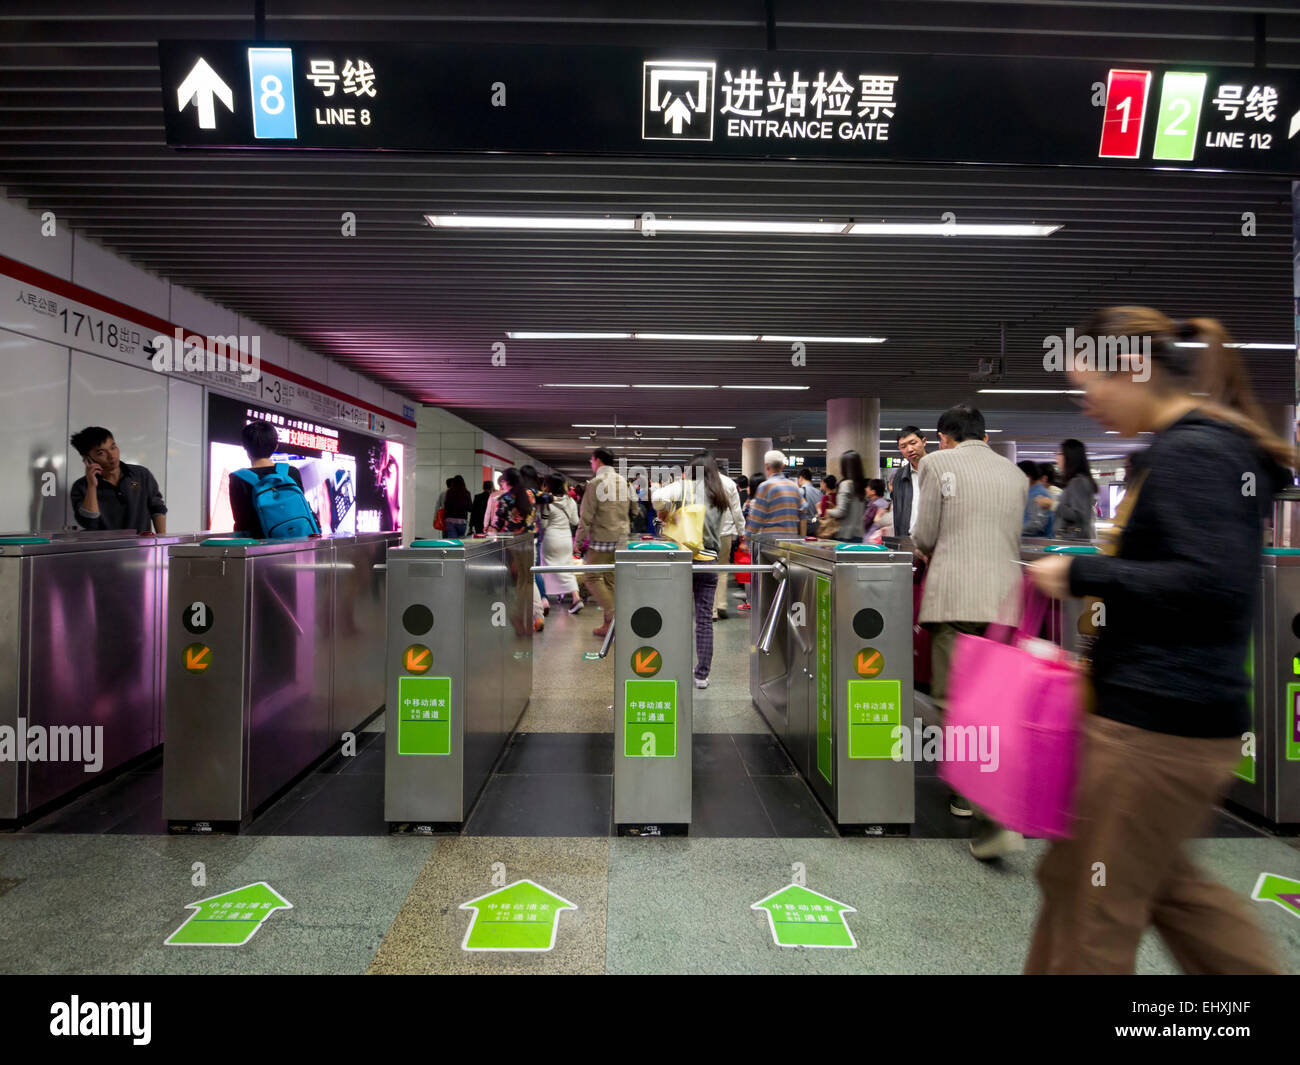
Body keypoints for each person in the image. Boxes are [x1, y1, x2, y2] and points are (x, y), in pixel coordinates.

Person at [1026, 307, 1290, 975]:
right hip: (1162, 717)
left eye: (1091, 386)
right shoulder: (1187, 450)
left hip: (1156, 726)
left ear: (1134, 370)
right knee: (1167, 892)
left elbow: (1214, 583)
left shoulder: (1194, 453)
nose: (1087, 407)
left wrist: (1081, 570)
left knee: (1092, 911)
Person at [912, 404, 1027, 859]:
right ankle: (995, 792)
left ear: (944, 437)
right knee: (992, 700)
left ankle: (987, 805)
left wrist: (923, 549)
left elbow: (925, 534)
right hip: (1004, 602)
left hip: (957, 596)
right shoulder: (1013, 474)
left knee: (953, 701)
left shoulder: (937, 464)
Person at [652, 452, 733, 689]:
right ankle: (702, 675)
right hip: (709, 562)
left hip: (683, 559)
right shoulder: (720, 493)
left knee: (676, 615)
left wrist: (667, 499)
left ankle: (673, 664)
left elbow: (657, 499)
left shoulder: (683, 487)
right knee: (704, 620)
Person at [228, 419, 319, 539]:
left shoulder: (238, 479)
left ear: (244, 446)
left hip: (260, 550)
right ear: (276, 446)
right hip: (297, 544)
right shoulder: (291, 472)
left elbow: (242, 524)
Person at [69, 426, 167, 534]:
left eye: (113, 447)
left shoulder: (141, 475)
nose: (111, 456)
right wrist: (92, 486)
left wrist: (162, 542)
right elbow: (89, 523)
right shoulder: (81, 487)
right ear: (88, 459)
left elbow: (157, 508)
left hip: (141, 548)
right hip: (104, 549)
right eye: (101, 453)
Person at [577, 447, 630, 638]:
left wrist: (579, 540)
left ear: (597, 460)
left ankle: (614, 615)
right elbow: (631, 509)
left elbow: (586, 515)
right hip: (621, 537)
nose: (591, 464)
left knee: (591, 577)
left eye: (591, 461)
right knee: (610, 580)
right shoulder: (623, 481)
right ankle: (609, 626)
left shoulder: (595, 482)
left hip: (602, 538)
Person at [539, 474, 582, 612]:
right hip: (566, 539)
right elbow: (575, 521)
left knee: (548, 568)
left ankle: (545, 599)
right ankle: (574, 597)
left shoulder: (547, 501)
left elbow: (544, 523)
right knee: (566, 568)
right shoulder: (571, 501)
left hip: (551, 538)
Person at [745, 451, 803, 541]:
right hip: (792, 540)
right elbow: (803, 511)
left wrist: (747, 538)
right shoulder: (794, 486)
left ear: (767, 466)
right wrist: (802, 537)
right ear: (783, 467)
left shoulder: (765, 486)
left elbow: (757, 517)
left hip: (770, 542)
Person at [712, 463, 746, 621]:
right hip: (725, 532)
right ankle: (721, 605)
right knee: (723, 569)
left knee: (707, 569)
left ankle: (711, 610)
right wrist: (742, 532)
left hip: (705, 532)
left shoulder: (702, 482)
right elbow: (736, 511)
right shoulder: (730, 483)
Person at [1053, 439, 1097, 541]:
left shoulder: (1078, 482)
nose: (1056, 458)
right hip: (1072, 541)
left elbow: (1078, 515)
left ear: (1069, 456)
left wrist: (1052, 505)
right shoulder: (1076, 481)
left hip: (1074, 543)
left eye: (1059, 454)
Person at [888, 426, 927, 540]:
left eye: (913, 443)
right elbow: (898, 512)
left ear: (924, 441)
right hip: (908, 539)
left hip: (936, 541)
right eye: (903, 446)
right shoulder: (899, 476)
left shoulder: (940, 469)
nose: (909, 449)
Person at [824, 450, 867, 542]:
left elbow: (841, 512)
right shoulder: (861, 486)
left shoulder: (846, 485)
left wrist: (828, 511)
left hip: (845, 535)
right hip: (859, 535)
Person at [1018, 460, 1055, 537]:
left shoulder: (1037, 494)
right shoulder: (1034, 492)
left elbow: (1035, 525)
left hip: (1037, 544)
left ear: (1028, 478)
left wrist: (1014, 531)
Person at [796, 466, 823, 537]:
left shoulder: (800, 491)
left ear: (801, 478)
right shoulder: (819, 492)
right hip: (817, 527)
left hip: (804, 527)